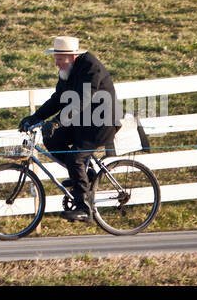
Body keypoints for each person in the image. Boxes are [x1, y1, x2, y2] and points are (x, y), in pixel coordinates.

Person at [18, 36, 121, 222]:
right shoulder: (67, 71)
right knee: (52, 139)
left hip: (102, 122)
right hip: (83, 121)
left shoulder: (91, 67)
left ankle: (84, 208)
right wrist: (36, 117)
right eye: (55, 58)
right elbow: (58, 98)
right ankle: (84, 176)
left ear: (71, 56)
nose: (56, 63)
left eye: (59, 59)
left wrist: (57, 121)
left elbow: (82, 99)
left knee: (75, 158)